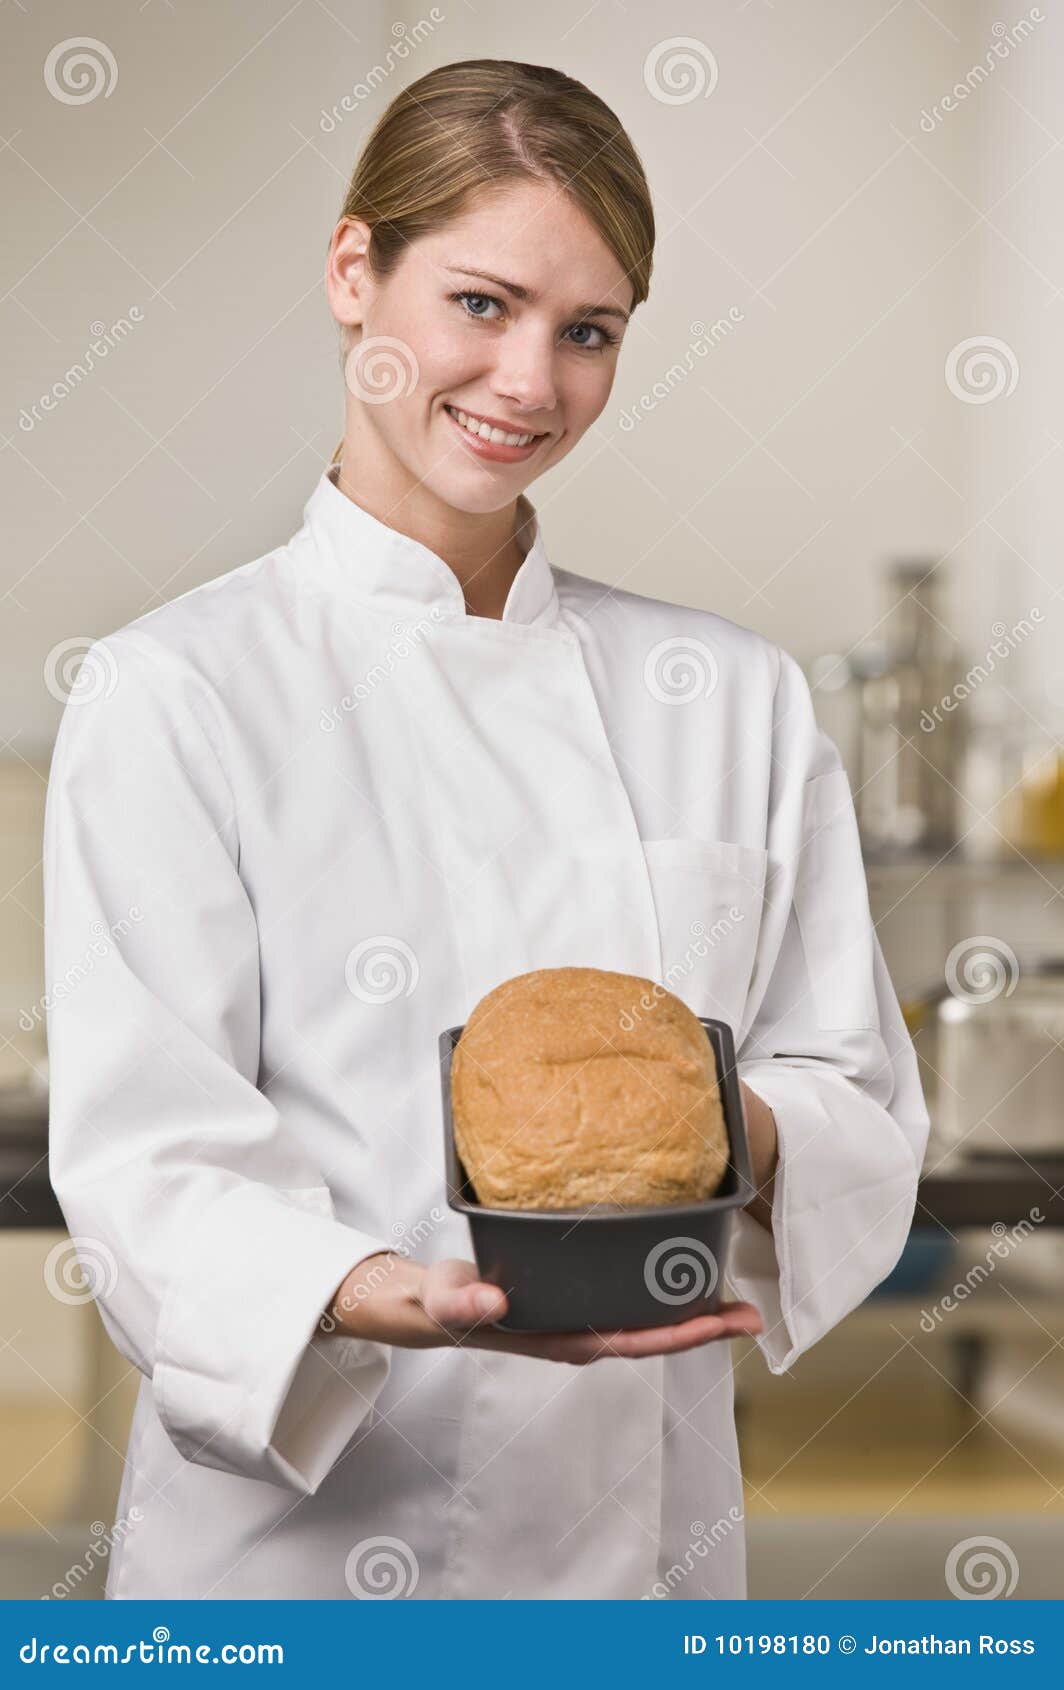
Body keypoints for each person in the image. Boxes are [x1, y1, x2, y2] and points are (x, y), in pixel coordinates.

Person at [43, 58, 930, 1601]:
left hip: (642, 1561)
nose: (531, 381)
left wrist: (718, 1115)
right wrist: (375, 1292)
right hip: (294, 1572)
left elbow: (852, 1085)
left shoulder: (730, 695)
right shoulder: (177, 692)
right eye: (480, 304)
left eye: (587, 332)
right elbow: (147, 1156)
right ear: (352, 273)